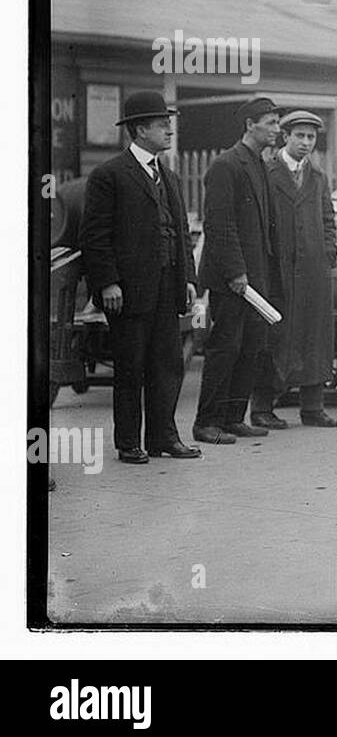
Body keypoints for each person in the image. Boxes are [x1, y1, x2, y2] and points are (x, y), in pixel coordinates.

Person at [81, 91, 201, 463]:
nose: (169, 131)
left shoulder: (170, 176)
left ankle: (163, 438)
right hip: (129, 290)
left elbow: (180, 231)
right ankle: (129, 442)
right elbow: (95, 235)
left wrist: (188, 278)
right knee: (131, 367)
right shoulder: (108, 176)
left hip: (168, 286)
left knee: (168, 365)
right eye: (162, 125)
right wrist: (107, 282)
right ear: (139, 130)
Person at [194, 96, 282, 444]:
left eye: (277, 123)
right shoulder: (225, 165)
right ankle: (206, 422)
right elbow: (219, 225)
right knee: (224, 347)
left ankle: (233, 417)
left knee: (250, 348)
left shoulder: (258, 164)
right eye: (271, 123)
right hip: (233, 279)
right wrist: (234, 273)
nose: (277, 129)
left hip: (255, 276)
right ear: (250, 124)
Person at [248, 110, 337, 430]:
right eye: (299, 136)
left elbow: (328, 219)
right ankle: (262, 407)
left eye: (311, 137)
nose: (305, 142)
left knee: (315, 336)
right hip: (278, 269)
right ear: (285, 137)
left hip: (314, 270)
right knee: (275, 337)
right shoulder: (267, 173)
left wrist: (328, 252)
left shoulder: (318, 177)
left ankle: (312, 407)